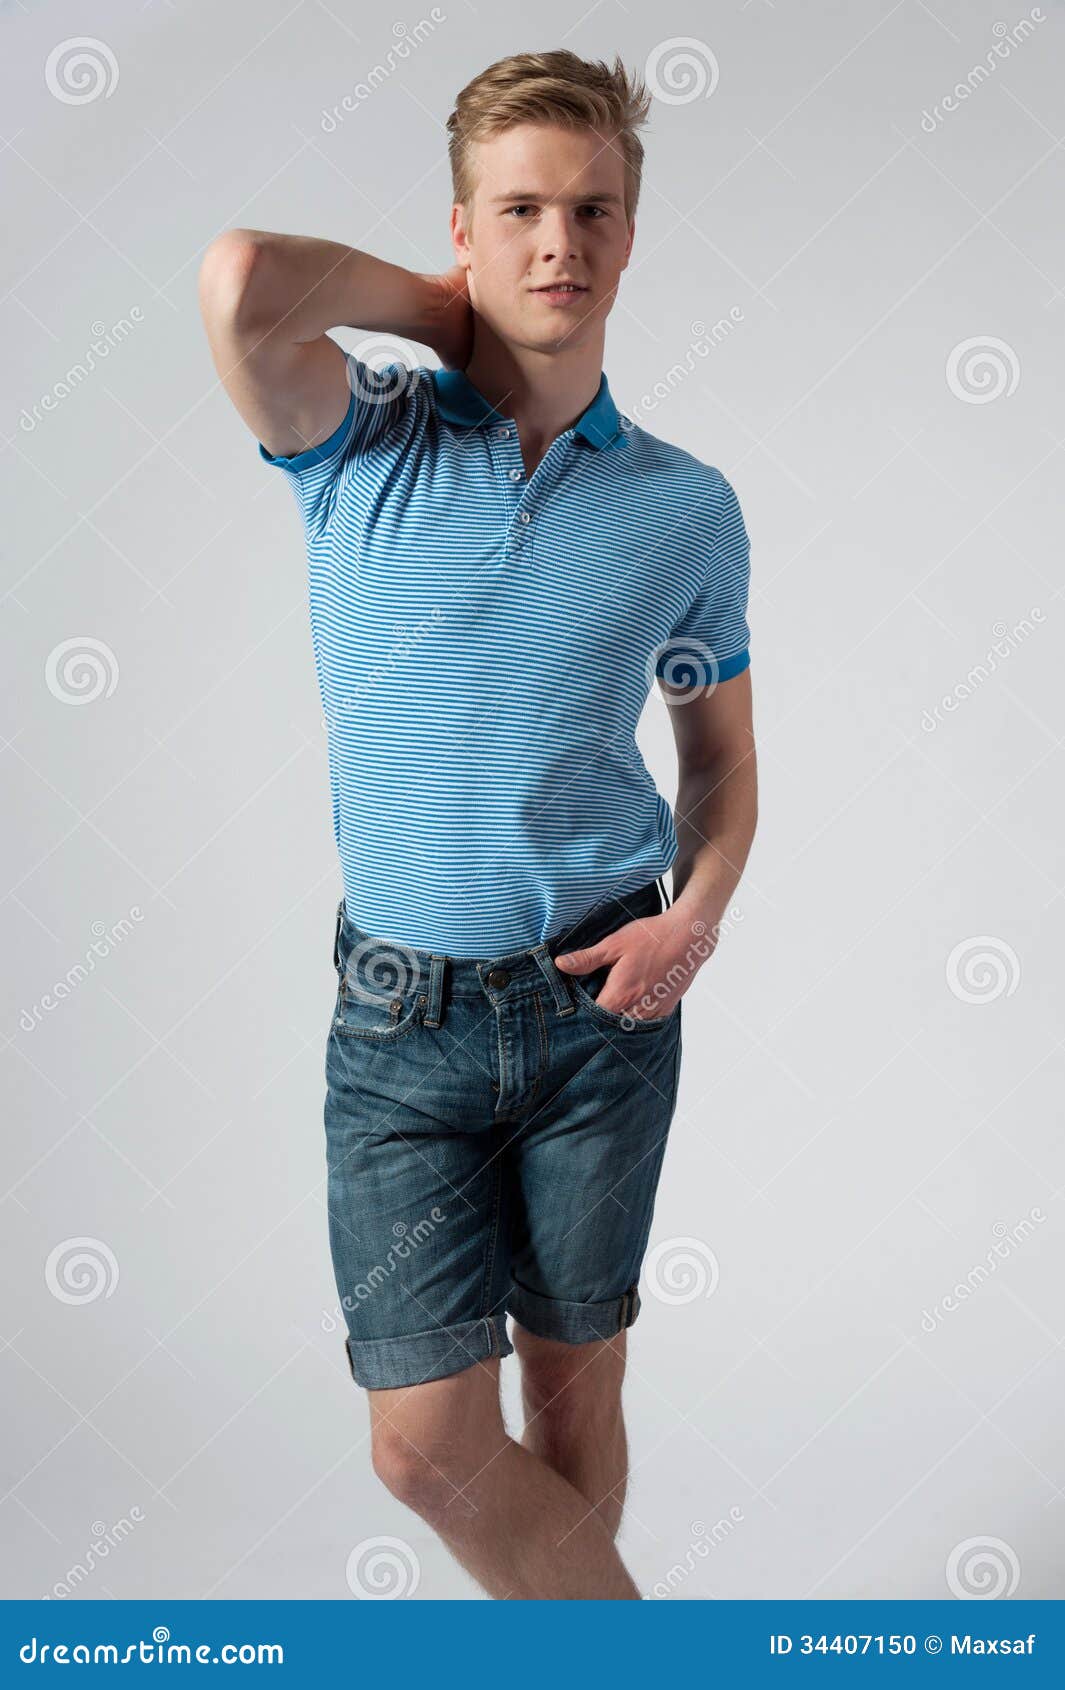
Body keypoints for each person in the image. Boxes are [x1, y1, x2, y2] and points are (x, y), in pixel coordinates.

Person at [198, 47, 757, 1601]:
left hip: (600, 999)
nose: (558, 244)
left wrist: (693, 909)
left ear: (631, 237)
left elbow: (719, 756)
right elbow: (242, 281)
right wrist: (455, 322)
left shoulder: (683, 505)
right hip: (399, 1023)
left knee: (573, 1396)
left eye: (591, 212)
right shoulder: (354, 442)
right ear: (461, 231)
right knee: (422, 1443)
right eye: (517, 212)